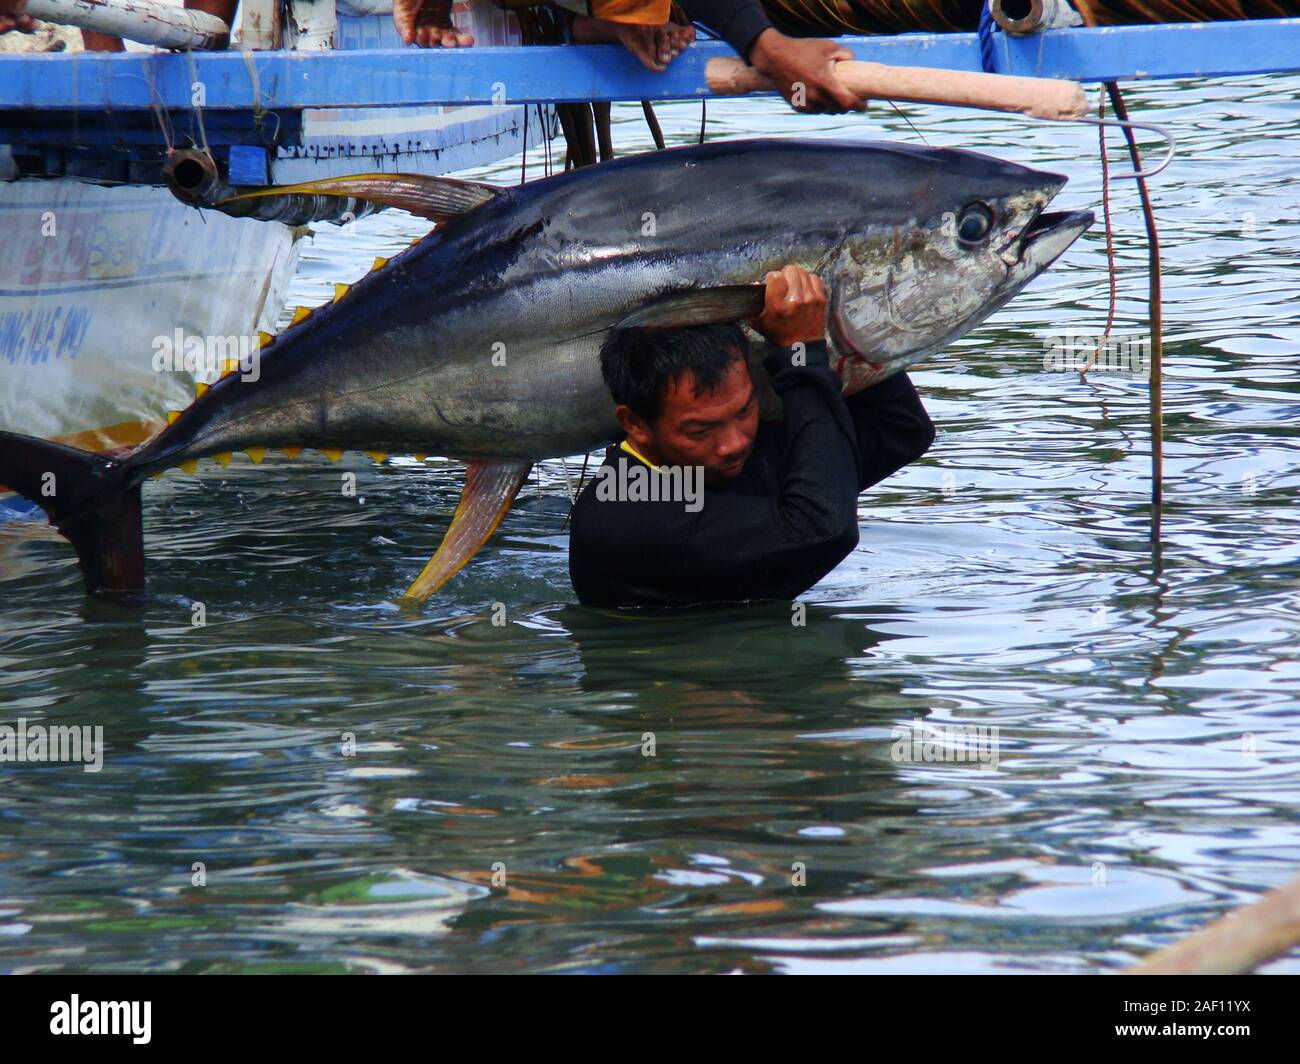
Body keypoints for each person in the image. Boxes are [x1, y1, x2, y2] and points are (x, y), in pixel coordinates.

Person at [568, 264, 935, 608]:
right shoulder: (622, 514)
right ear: (634, 424)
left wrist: (837, 317)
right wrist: (801, 352)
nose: (736, 443)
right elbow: (824, 527)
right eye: (701, 429)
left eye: (744, 410)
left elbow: (899, 430)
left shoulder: (732, 457)